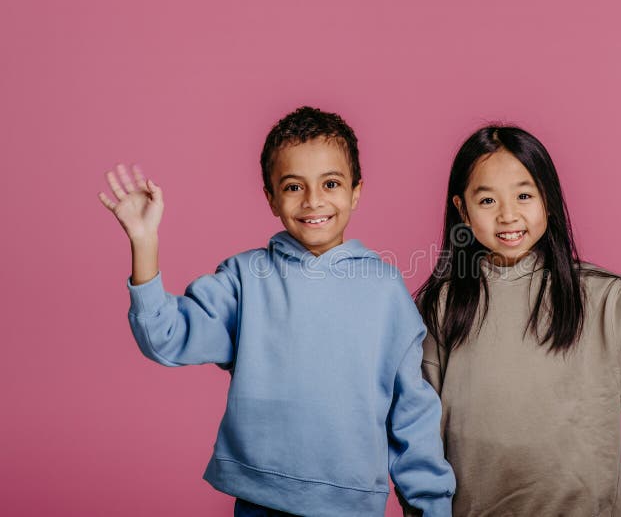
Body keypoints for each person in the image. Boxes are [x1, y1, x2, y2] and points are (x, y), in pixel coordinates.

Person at [99, 106, 455, 517]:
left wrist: (432, 505)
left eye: (331, 183)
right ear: (270, 196)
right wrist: (144, 243)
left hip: (350, 506)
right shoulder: (245, 279)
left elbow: (412, 414)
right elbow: (164, 337)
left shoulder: (385, 291)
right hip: (260, 502)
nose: (313, 201)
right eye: (292, 187)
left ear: (356, 191)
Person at [410, 126, 621, 516]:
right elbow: (420, 430)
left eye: (524, 195)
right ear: (462, 209)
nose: (508, 214)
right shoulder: (444, 304)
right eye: (487, 200)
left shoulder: (597, 297)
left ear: (549, 201)